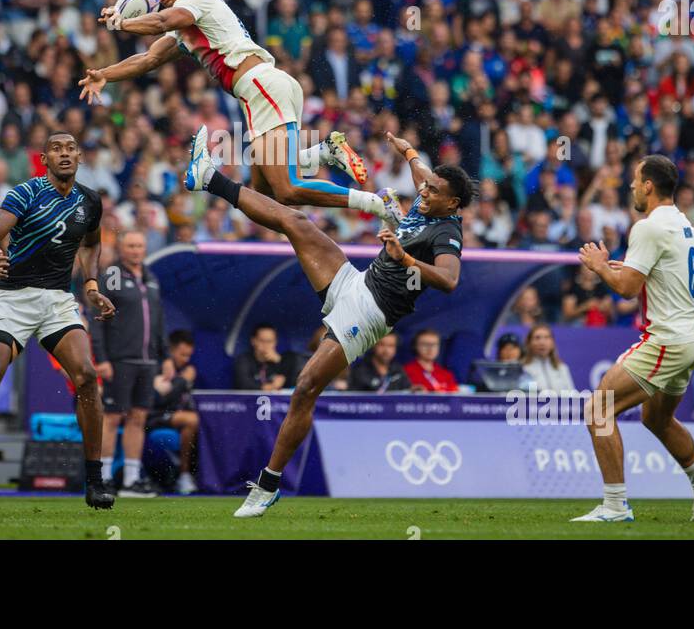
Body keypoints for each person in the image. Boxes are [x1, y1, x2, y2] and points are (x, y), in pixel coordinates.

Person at [182, 127, 467, 518]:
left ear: (452, 203)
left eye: (434, 191)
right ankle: (209, 178)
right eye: (427, 185)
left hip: (370, 313)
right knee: (295, 221)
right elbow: (420, 173)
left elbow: (450, 281)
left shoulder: (448, 231)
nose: (424, 191)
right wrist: (408, 151)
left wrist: (407, 260)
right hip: (357, 282)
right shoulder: (429, 197)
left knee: (305, 387)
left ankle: (268, 484)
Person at [80, 0, 392, 224]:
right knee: (263, 194)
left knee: (287, 188)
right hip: (266, 87)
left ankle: (375, 202)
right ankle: (324, 151)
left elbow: (161, 20)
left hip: (260, 86)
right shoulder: (185, 26)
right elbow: (149, 58)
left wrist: (123, 23)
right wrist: (104, 74)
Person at [0, 132, 117, 510]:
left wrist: (92, 284)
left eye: (70, 149)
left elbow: (92, 243)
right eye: (56, 149)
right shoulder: (25, 193)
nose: (64, 154)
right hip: (14, 299)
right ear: (44, 159)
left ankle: (95, 481)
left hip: (58, 301)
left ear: (79, 156)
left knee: (86, 376)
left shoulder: (89, 201)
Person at [574, 154, 694, 523]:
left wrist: (598, 268)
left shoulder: (646, 226)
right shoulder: (684, 224)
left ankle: (614, 506)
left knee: (599, 408)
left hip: (668, 338)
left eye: (634, 180)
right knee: (656, 419)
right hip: (693, 336)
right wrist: (620, 267)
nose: (630, 186)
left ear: (648, 186)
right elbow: (658, 272)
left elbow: (627, 290)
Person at [94, 230, 166, 497]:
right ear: (122, 249)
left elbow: (159, 320)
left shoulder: (151, 278)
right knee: (112, 418)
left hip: (147, 360)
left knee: (138, 418)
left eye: (140, 245)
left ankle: (132, 480)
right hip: (120, 360)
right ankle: (102, 478)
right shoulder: (112, 276)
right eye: (131, 246)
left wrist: (165, 356)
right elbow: (97, 319)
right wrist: (101, 359)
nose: (136, 250)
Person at [148, 330, 199, 495]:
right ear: (171, 350)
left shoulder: (186, 369)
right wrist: (183, 381)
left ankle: (196, 474)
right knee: (191, 419)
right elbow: (160, 400)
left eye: (189, 355)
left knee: (198, 421)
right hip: (153, 417)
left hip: (174, 417)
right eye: (183, 354)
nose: (186, 359)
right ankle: (184, 475)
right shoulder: (160, 367)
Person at [233, 323, 291, 391]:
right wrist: (269, 387)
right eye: (262, 341)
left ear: (275, 342)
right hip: (249, 400)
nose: (266, 345)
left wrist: (279, 361)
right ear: (253, 341)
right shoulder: (243, 360)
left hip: (276, 401)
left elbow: (295, 383)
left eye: (269, 341)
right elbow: (243, 384)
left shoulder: (283, 361)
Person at [346, 333, 412, 392]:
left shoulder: (398, 369)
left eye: (391, 346)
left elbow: (406, 391)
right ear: (373, 345)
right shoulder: (360, 370)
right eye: (382, 345)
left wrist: (413, 391)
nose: (386, 350)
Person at [521, 323, 576, 392]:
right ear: (529, 343)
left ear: (552, 343)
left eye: (546, 337)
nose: (542, 342)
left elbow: (573, 396)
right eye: (537, 338)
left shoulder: (562, 368)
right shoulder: (523, 368)